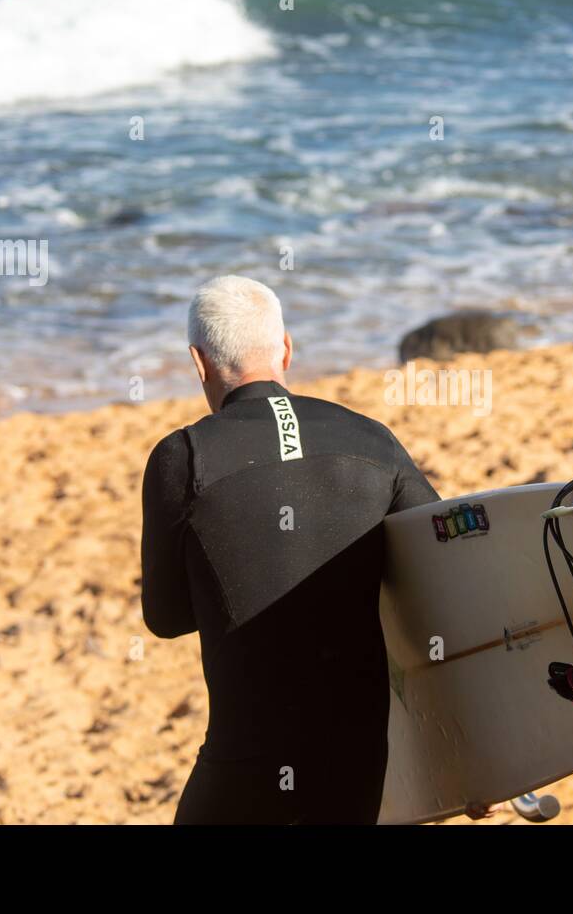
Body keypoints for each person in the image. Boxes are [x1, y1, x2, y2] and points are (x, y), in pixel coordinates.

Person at [140, 274, 439, 824]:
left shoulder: (182, 457)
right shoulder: (373, 438)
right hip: (361, 757)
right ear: (285, 348)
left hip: (245, 760)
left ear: (198, 362)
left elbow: (166, 616)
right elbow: (441, 564)